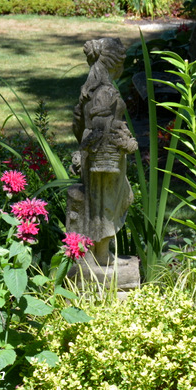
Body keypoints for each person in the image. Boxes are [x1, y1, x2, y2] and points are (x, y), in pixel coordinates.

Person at [68, 38, 137, 264]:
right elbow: (103, 123)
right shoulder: (106, 92)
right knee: (108, 200)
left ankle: (97, 252)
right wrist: (124, 138)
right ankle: (102, 254)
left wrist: (83, 145)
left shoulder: (89, 90)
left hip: (93, 149)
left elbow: (77, 123)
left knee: (101, 201)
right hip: (104, 153)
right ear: (115, 64)